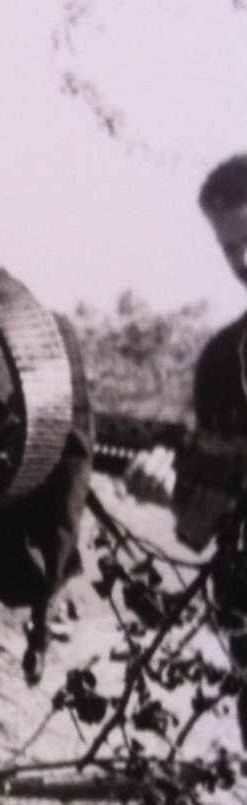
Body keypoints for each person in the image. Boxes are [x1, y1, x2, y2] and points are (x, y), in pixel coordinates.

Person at [125, 154, 247, 742]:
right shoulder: (222, 365)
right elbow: (209, 530)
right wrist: (173, 494)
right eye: (229, 250)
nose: (243, 262)